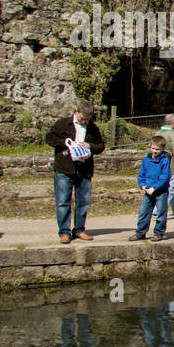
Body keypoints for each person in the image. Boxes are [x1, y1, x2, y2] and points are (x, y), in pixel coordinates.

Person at [45, 102, 106, 244]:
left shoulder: (92, 128)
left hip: (84, 170)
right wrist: (65, 143)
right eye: (82, 118)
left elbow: (100, 146)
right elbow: (49, 138)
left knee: (83, 202)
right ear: (76, 112)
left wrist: (89, 146)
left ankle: (79, 230)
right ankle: (64, 232)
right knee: (63, 201)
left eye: (87, 119)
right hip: (64, 168)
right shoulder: (62, 124)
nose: (84, 121)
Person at [130, 135, 172, 241]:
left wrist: (155, 187)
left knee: (161, 213)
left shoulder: (164, 160)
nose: (155, 151)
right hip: (148, 190)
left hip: (160, 191)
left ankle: (159, 232)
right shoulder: (146, 159)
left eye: (157, 149)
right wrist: (142, 184)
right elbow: (141, 174)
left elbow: (165, 176)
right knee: (143, 212)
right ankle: (140, 232)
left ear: (162, 149)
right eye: (153, 148)